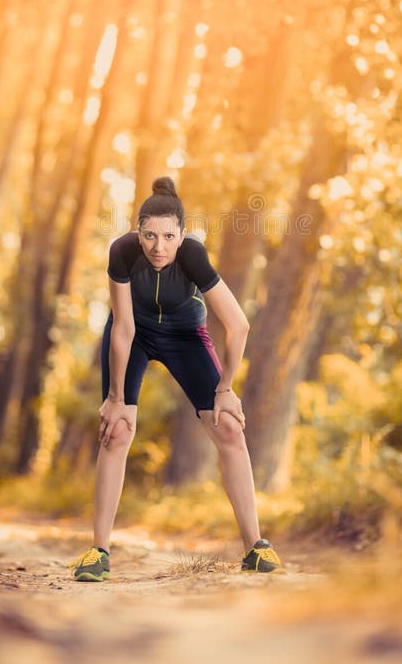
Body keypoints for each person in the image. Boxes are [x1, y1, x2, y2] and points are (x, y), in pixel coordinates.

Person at [71, 177, 283, 580]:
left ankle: (256, 547)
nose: (158, 246)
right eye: (149, 235)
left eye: (168, 236)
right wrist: (116, 397)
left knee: (230, 429)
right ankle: (98, 552)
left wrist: (225, 390)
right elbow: (123, 329)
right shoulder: (121, 252)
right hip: (133, 333)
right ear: (138, 231)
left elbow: (238, 326)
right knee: (116, 429)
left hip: (186, 336)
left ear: (182, 235)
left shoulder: (193, 256)